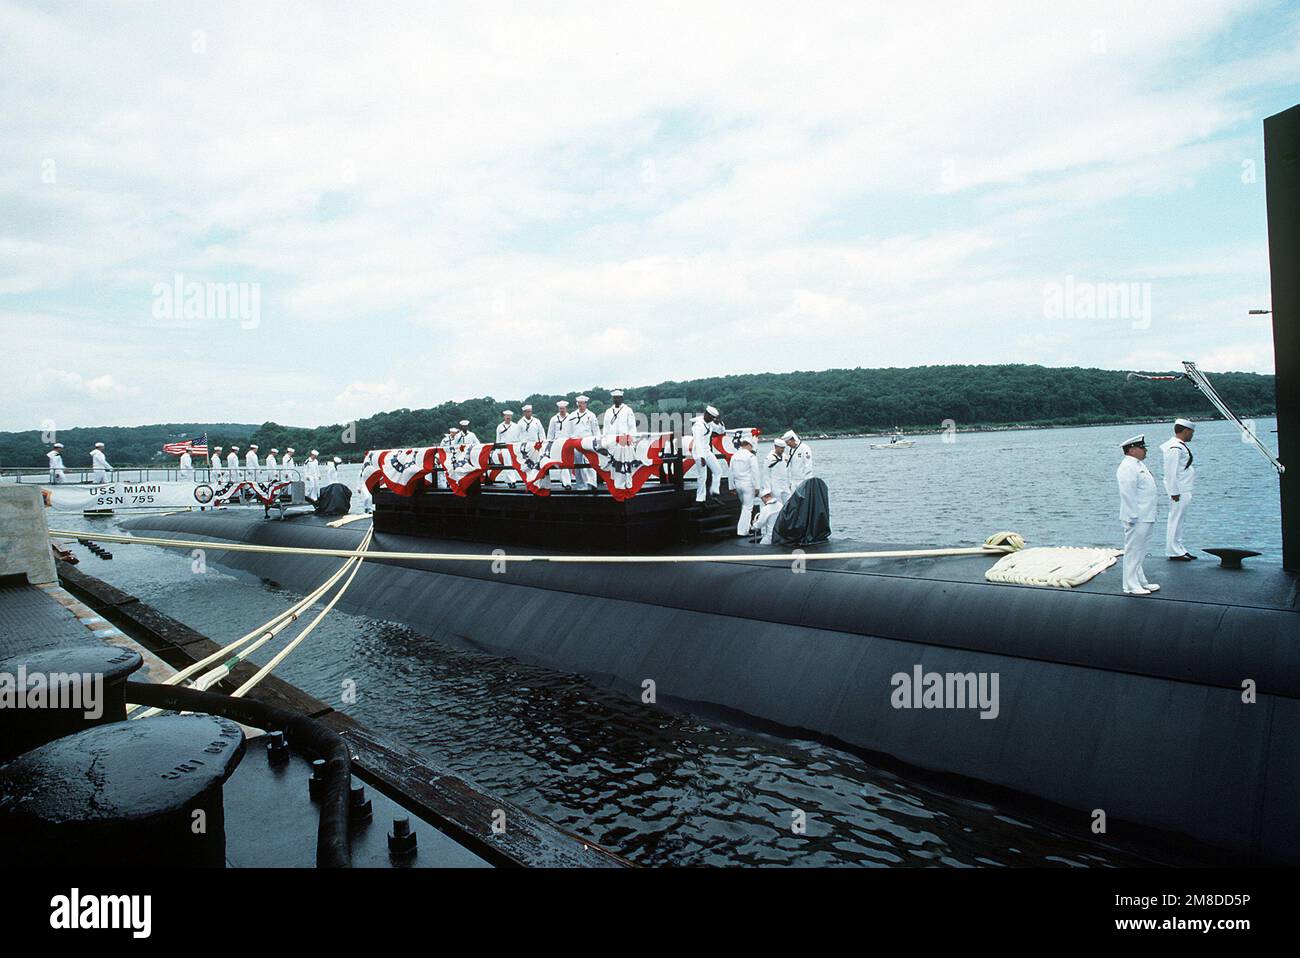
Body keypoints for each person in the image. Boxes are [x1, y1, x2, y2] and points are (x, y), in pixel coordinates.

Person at [1116, 434, 1161, 596]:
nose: (1145, 450)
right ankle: (1130, 584)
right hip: (1136, 517)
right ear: (1132, 450)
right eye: (1142, 448)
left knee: (1140, 550)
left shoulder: (1138, 465)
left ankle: (1140, 581)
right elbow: (1127, 493)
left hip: (1146, 514)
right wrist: (1132, 517)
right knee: (1133, 550)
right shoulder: (1127, 467)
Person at [1161, 418, 1197, 561]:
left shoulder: (1178, 446)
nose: (1192, 435)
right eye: (1191, 432)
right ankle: (1173, 551)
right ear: (1185, 431)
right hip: (1179, 490)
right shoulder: (1174, 447)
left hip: (1184, 488)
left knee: (1179, 520)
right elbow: (1171, 472)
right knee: (1175, 520)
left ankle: (1179, 548)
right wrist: (1174, 492)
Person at [601, 388, 638, 491]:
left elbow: (632, 427)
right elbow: (606, 428)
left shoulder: (627, 410)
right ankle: (617, 484)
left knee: (625, 463)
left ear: (621, 398)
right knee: (615, 464)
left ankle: (627, 482)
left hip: (623, 440)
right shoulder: (608, 411)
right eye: (614, 398)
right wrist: (605, 441)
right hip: (612, 440)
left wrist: (631, 438)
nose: (616, 400)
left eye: (618, 398)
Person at [689, 405, 727, 504]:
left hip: (707, 450)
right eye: (711, 417)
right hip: (698, 452)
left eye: (713, 418)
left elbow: (721, 431)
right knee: (702, 475)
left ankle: (714, 492)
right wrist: (701, 457)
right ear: (706, 414)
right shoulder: (698, 425)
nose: (712, 419)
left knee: (718, 470)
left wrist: (720, 423)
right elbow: (697, 442)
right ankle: (700, 499)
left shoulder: (709, 423)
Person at [729, 434, 761, 535]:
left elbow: (730, 472)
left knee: (744, 506)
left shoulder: (734, 456)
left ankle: (747, 527)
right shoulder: (751, 456)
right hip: (748, 485)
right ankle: (742, 531)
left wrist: (731, 487)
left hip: (738, 484)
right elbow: (755, 472)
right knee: (748, 508)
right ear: (749, 445)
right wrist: (757, 487)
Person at [570, 396, 600, 490]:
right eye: (579, 403)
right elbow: (569, 430)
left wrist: (597, 441)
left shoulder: (591, 415)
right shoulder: (572, 415)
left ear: (585, 404)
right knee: (577, 464)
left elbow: (595, 430)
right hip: (576, 441)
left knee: (589, 461)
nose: (580, 405)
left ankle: (592, 482)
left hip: (588, 441)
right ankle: (580, 485)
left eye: (582, 403)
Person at [547, 400, 574, 489]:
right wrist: (549, 443)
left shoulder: (571, 418)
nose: (562, 410)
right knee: (562, 462)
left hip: (568, 442)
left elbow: (573, 431)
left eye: (563, 408)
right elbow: (550, 433)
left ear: (566, 408)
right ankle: (567, 483)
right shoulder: (554, 419)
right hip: (557, 443)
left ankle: (565, 480)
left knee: (569, 462)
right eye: (560, 409)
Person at [494, 410, 521, 486]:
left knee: (514, 463)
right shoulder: (500, 426)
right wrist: (498, 449)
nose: (508, 417)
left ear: (511, 417)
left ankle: (508, 481)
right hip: (504, 447)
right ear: (504, 416)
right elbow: (498, 438)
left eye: (509, 416)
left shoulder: (515, 426)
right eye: (506, 416)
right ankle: (512, 481)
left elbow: (518, 437)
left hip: (513, 446)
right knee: (507, 462)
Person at [762, 437, 790, 504]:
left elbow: (788, 470)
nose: (782, 450)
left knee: (788, 503)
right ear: (775, 447)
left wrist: (789, 483)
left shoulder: (785, 456)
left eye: (783, 448)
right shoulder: (769, 458)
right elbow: (766, 474)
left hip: (784, 483)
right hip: (775, 484)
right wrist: (767, 490)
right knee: (778, 504)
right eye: (781, 448)